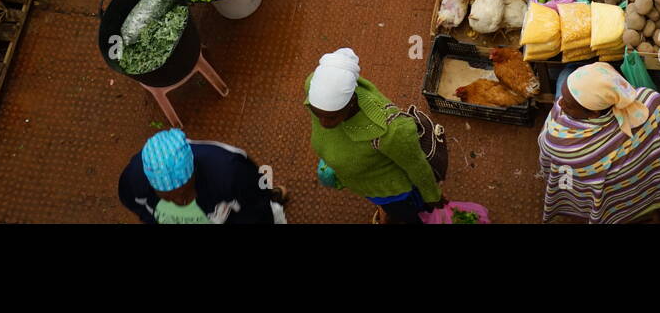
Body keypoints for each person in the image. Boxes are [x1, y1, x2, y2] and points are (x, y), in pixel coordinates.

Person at [538, 63, 660, 224]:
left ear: (594, 113)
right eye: (563, 97)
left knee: (563, 73)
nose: (560, 104)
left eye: (568, 103)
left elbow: (552, 169)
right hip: (640, 189)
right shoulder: (652, 103)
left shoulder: (558, 141)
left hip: (600, 196)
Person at [306, 48, 443, 224]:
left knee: (408, 215)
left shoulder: (390, 131)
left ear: (352, 101)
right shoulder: (311, 85)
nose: (323, 123)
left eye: (332, 117)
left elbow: (417, 166)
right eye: (316, 113)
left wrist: (432, 196)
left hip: (391, 192)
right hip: (363, 183)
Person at [118, 129, 287, 224]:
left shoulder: (231, 169)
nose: (180, 202)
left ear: (194, 169)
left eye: (185, 192)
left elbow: (258, 208)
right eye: (168, 197)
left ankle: (274, 199)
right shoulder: (133, 181)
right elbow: (140, 209)